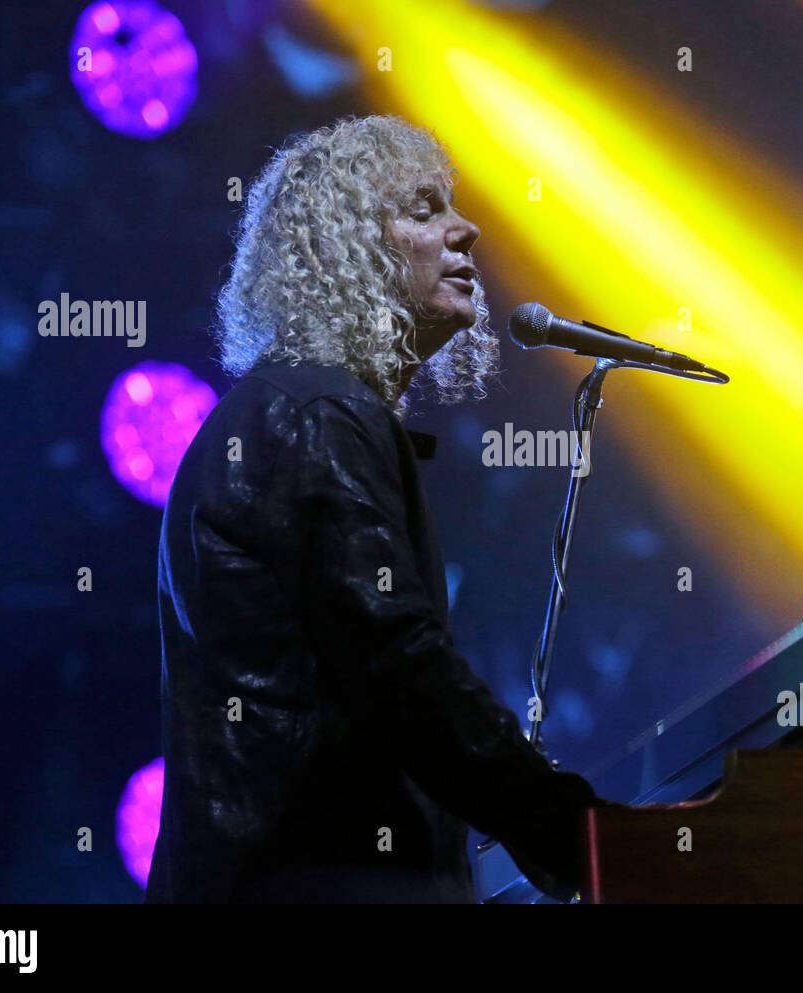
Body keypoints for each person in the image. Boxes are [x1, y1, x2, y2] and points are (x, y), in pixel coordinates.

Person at [145, 115, 602, 904]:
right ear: (344, 250)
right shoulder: (316, 411)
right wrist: (575, 831)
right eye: (424, 209)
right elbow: (398, 662)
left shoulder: (288, 410)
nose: (467, 229)